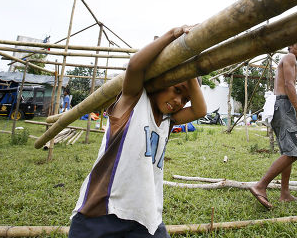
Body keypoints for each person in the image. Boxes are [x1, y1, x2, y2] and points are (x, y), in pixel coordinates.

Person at [69, 26, 206, 238]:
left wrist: (191, 73)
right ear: (161, 81)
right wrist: (172, 35)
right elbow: (135, 66)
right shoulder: (134, 100)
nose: (179, 102)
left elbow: (200, 110)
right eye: (176, 90)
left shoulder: (169, 120)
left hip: (146, 217)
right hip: (102, 214)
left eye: (185, 99)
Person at [249, 41, 297, 210]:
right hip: (284, 105)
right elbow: (289, 85)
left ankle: (285, 193)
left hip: (280, 105)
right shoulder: (289, 57)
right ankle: (261, 185)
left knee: (287, 150)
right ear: (290, 45)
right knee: (293, 151)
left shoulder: (290, 59)